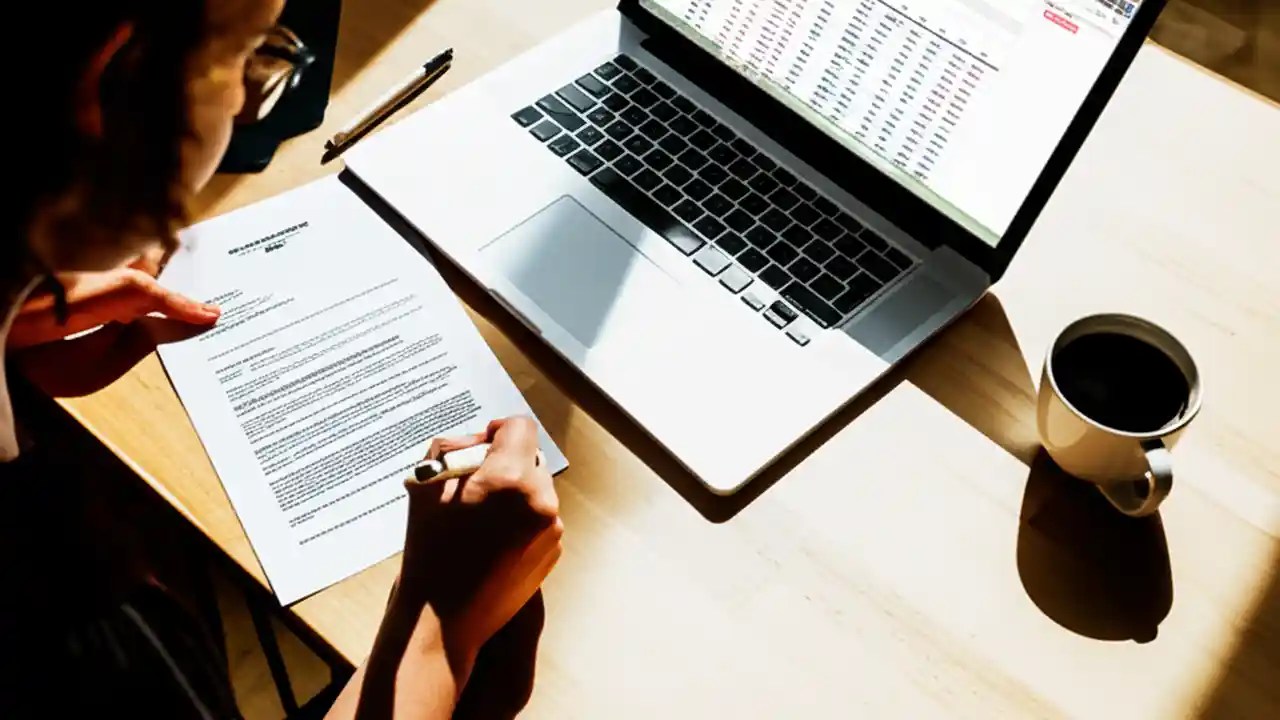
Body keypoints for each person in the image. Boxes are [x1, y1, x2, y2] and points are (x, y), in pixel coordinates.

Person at [2, 1, 563, 718]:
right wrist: (439, 627)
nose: (241, 105)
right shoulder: (84, 633)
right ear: (111, 80)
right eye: (247, 60)